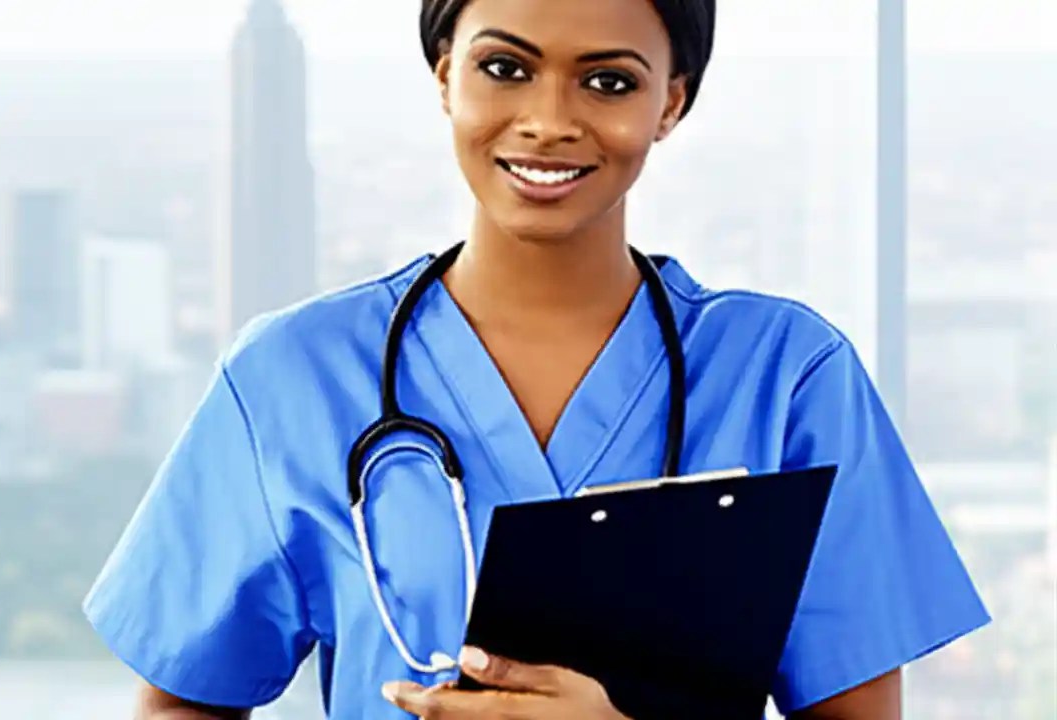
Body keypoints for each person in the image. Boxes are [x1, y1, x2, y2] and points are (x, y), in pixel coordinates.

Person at [83, 0, 990, 718]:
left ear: (671, 101)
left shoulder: (786, 376)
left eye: (608, 81)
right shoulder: (293, 376)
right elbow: (183, 700)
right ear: (446, 76)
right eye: (505, 69)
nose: (549, 120)